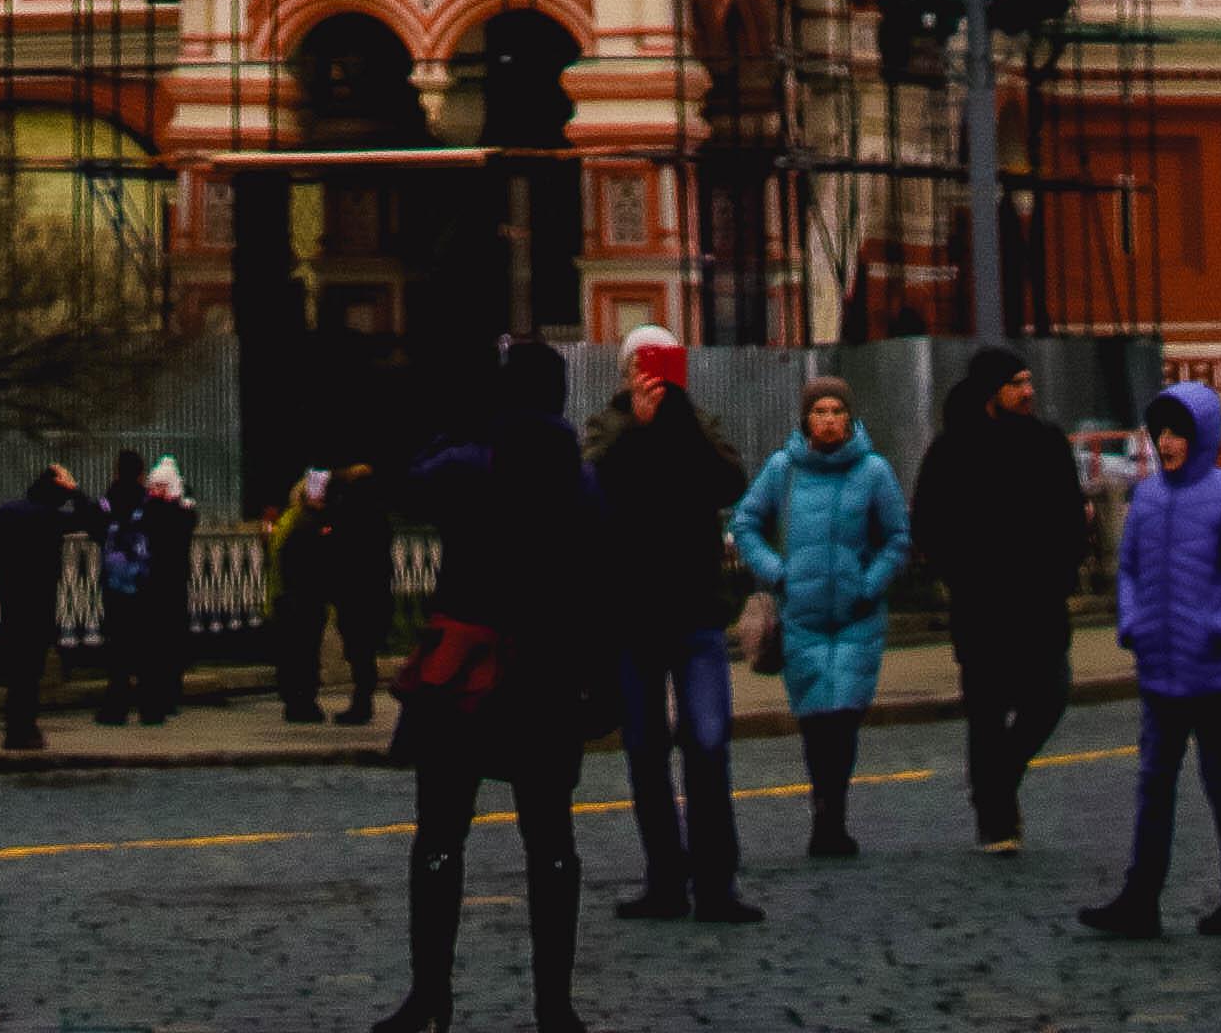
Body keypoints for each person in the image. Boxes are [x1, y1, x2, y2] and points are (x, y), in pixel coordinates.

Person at [376, 337, 603, 1033]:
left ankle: (430, 999)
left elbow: (406, 481)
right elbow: (601, 574)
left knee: (441, 835)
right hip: (547, 669)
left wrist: (458, 426)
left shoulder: (471, 462)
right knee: (551, 842)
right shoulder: (580, 475)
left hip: (467, 667)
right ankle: (554, 1008)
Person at [1078, 381, 1221, 944]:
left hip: (1212, 672)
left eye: (1178, 433)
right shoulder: (1147, 497)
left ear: (1201, 437)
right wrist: (1130, 621)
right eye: (1161, 432)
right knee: (1153, 784)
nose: (1167, 443)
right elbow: (1132, 572)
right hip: (1160, 669)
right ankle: (1141, 900)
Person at [588, 330, 753, 924]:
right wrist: (636, 424)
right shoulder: (607, 423)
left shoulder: (697, 421)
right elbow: (594, 485)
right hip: (632, 614)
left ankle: (716, 883)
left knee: (708, 744)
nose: (650, 374)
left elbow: (729, 483)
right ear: (626, 370)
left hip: (695, 610)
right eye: (640, 364)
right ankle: (664, 877)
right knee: (645, 750)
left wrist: (676, 423)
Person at [912, 345, 1094, 852]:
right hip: (983, 605)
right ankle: (997, 819)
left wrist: (1062, 568)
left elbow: (1069, 510)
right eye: (1017, 383)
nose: (1028, 391)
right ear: (993, 391)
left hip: (1040, 600)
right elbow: (928, 521)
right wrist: (962, 572)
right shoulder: (953, 450)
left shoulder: (1047, 443)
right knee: (987, 711)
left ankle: (997, 780)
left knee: (1051, 693)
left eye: (1029, 381)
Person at [735, 372, 907, 866]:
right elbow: (745, 523)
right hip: (803, 618)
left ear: (850, 418)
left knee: (845, 719)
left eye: (837, 412)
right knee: (817, 722)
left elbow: (897, 538)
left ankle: (835, 813)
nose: (829, 421)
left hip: (857, 619)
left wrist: (869, 585)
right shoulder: (784, 469)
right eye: (820, 412)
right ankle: (825, 816)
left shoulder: (874, 472)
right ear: (806, 418)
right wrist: (777, 572)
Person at [0, 461, 86, 755]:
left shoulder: (7, 511)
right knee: (31, 666)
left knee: (17, 666)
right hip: (40, 598)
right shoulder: (50, 517)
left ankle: (14, 727)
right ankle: (24, 728)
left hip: (12, 595)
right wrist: (76, 490)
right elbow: (94, 518)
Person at [324, 454, 396, 732]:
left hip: (357, 591)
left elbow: (342, 549)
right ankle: (362, 698)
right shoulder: (377, 513)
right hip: (372, 590)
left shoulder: (352, 512)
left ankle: (362, 701)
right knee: (362, 650)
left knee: (359, 650)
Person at [270, 470, 339, 725]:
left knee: (295, 653)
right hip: (305, 598)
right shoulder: (311, 525)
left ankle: (296, 700)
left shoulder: (293, 521)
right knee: (304, 653)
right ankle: (302, 702)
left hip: (292, 597)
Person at [134, 458, 198, 725]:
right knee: (165, 643)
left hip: (160, 584)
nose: (155, 491)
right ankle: (165, 695)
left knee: (163, 644)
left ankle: (163, 696)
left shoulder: (158, 513)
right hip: (166, 585)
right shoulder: (179, 513)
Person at [90, 451, 152, 722]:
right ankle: (150, 707)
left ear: (116, 471)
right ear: (141, 473)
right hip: (143, 579)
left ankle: (116, 707)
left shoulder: (107, 501)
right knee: (145, 644)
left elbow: (95, 530)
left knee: (117, 647)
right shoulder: (148, 502)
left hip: (115, 581)